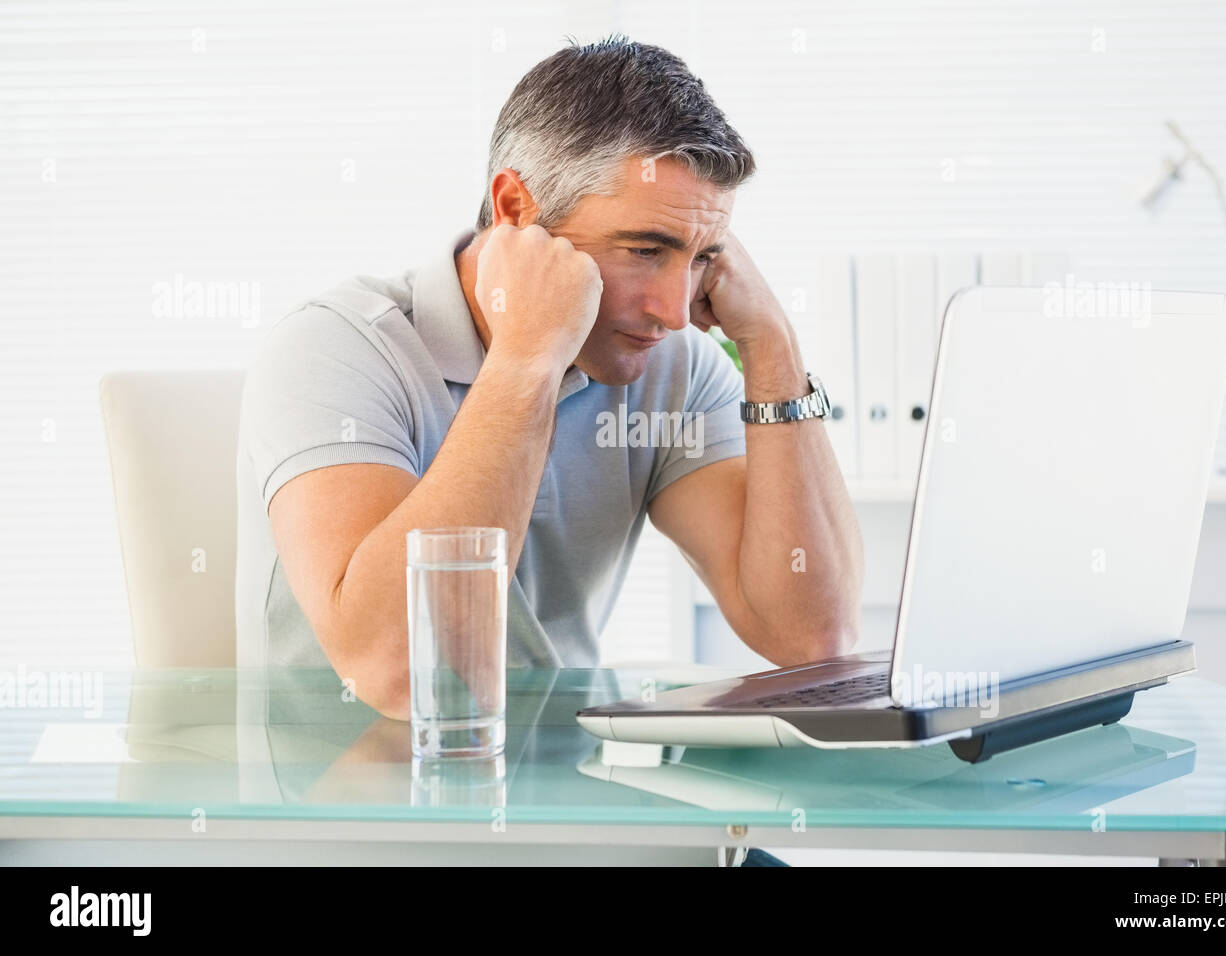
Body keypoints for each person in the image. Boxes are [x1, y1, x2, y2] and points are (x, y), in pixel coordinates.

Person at [235, 34, 863, 721]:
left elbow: (812, 637)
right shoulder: (335, 349)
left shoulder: (673, 367)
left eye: (702, 256)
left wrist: (773, 350)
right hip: (342, 806)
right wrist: (529, 356)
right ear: (514, 210)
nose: (676, 310)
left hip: (564, 793)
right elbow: (401, 674)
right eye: (645, 250)